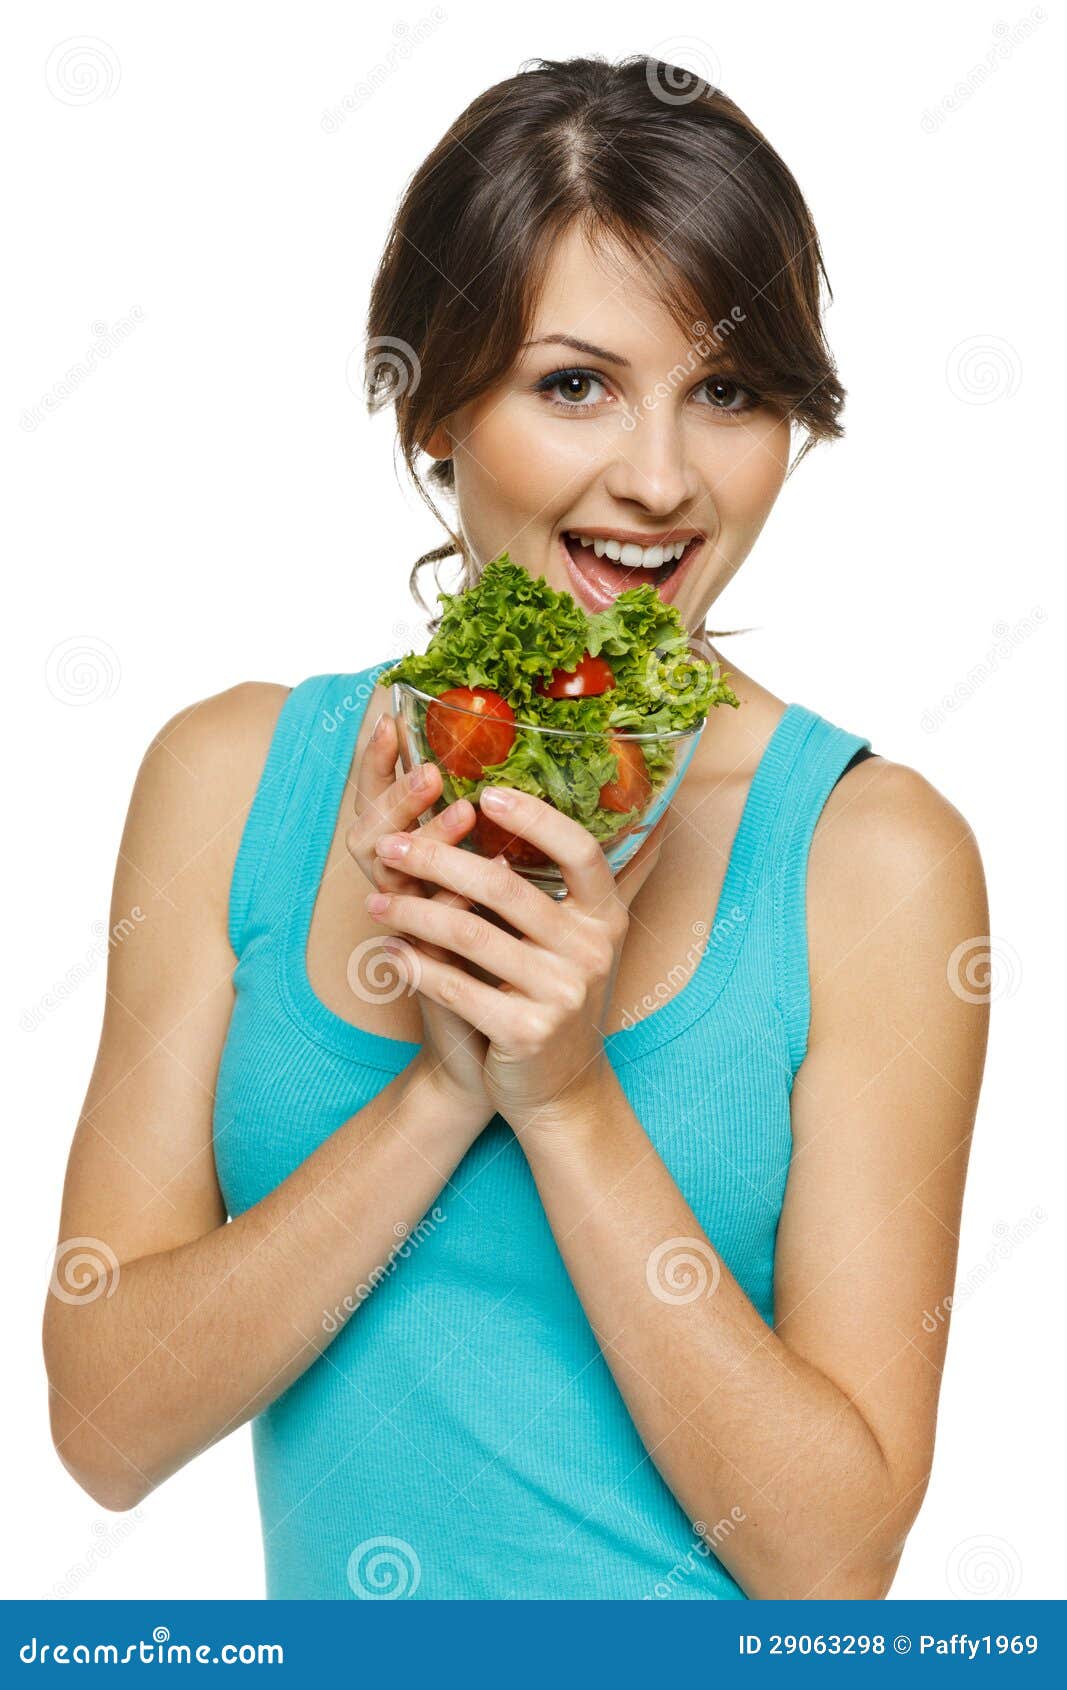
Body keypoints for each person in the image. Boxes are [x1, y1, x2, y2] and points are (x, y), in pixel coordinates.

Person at [43, 55, 989, 1601]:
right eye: (575, 384)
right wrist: (442, 1089)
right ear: (434, 408)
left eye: (731, 393)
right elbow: (104, 1426)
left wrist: (566, 1101)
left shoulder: (868, 856)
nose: (664, 479)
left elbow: (835, 1564)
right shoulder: (232, 780)